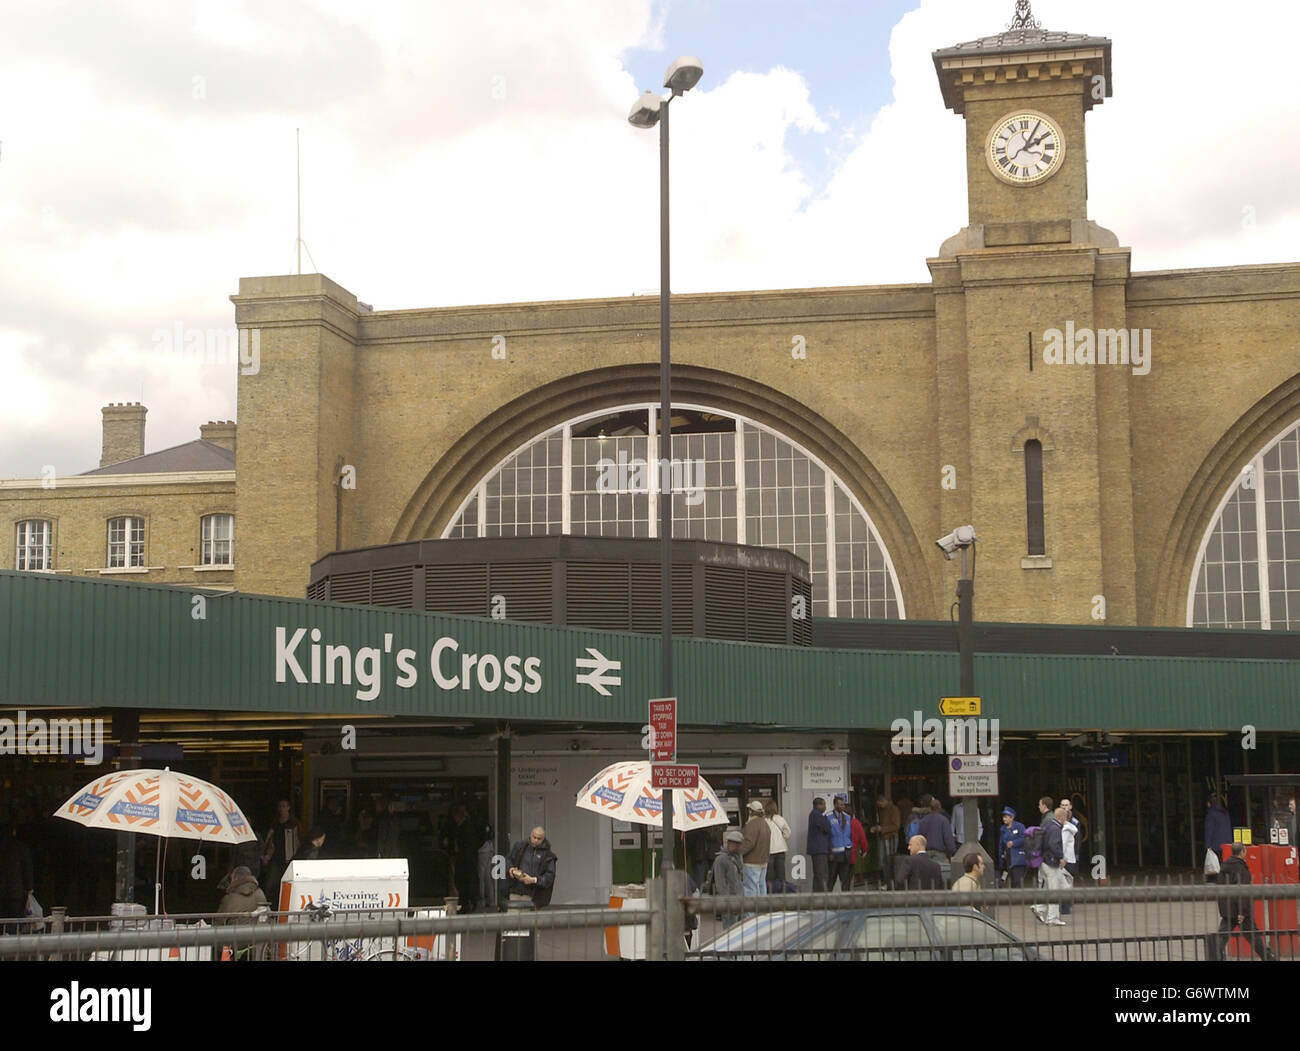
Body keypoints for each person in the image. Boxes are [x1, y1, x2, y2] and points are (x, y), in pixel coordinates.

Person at [1212, 843, 1275, 962]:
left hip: (1228, 908)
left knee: (1222, 936)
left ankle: (1215, 956)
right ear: (1242, 852)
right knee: (1253, 936)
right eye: (1245, 851)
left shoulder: (1224, 866)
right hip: (1239, 911)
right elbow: (1243, 891)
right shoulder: (1241, 868)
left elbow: (1220, 887)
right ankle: (1268, 958)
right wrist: (1242, 911)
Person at [1032, 806, 1068, 926]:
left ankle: (1039, 907)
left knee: (1051, 888)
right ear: (1061, 818)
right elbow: (1053, 844)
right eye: (1065, 818)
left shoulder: (1047, 825)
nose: (1065, 821)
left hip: (1043, 861)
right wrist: (1061, 857)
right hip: (1051, 862)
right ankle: (1052, 918)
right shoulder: (1055, 828)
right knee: (1054, 891)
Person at [506, 826, 557, 908]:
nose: (536, 840)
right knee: (514, 918)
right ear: (530, 835)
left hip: (534, 895)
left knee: (528, 919)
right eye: (534, 837)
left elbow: (550, 877)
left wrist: (533, 880)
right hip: (515, 890)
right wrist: (511, 869)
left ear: (543, 839)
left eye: (539, 839)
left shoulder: (548, 856)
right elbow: (508, 860)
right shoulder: (520, 847)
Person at [259, 799, 300, 897]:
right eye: (280, 806)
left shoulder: (294, 824)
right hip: (276, 858)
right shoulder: (275, 824)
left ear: (288, 808)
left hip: (289, 859)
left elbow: (298, 841)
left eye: (284, 806)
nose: (282, 808)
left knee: (288, 884)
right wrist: (267, 856)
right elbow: (270, 843)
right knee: (271, 884)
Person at [0, 823, 34, 934]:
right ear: (13, 832)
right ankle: (12, 946)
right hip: (16, 891)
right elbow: (27, 869)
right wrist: (29, 887)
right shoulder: (21, 848)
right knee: (14, 922)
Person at [709, 829, 745, 927]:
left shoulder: (738, 857)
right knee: (730, 932)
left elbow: (740, 878)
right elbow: (720, 884)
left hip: (739, 899)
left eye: (738, 844)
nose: (736, 846)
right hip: (729, 901)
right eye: (733, 843)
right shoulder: (721, 860)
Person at [918, 797, 956, 885]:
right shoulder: (944, 820)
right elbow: (948, 838)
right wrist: (952, 851)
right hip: (940, 854)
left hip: (926, 853)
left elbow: (920, 838)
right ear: (939, 807)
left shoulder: (923, 821)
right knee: (942, 877)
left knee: (927, 877)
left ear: (930, 808)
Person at [740, 800, 771, 896]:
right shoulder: (765, 824)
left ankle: (751, 911)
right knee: (762, 886)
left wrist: (738, 852)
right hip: (763, 861)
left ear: (751, 811)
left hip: (752, 862)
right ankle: (763, 909)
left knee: (751, 888)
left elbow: (749, 843)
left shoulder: (752, 824)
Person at [870, 794, 900, 889]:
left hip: (891, 838)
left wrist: (881, 828)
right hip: (884, 837)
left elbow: (896, 826)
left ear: (884, 801)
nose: (879, 806)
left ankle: (890, 883)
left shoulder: (894, 809)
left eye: (879, 803)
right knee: (884, 861)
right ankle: (887, 882)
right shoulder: (882, 810)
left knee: (889, 861)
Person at [826, 793, 854, 891]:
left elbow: (849, 833)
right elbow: (826, 836)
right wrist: (829, 852)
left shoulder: (847, 817)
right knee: (831, 878)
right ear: (835, 805)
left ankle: (845, 900)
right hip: (834, 853)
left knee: (845, 879)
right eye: (840, 804)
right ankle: (827, 900)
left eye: (843, 805)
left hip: (846, 851)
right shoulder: (828, 817)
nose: (842, 806)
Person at [763, 800, 792, 893]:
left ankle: (770, 893)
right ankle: (782, 893)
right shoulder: (780, 819)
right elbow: (788, 833)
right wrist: (782, 839)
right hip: (781, 849)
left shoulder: (764, 821)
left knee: (769, 875)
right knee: (781, 874)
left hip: (769, 851)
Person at [998, 806, 1028, 888]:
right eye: (1003, 817)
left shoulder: (1019, 826)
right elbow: (1001, 844)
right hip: (1007, 858)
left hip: (1018, 858)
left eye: (1006, 817)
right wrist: (1001, 857)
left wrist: (1013, 843)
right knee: (1009, 880)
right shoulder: (1003, 829)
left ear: (1012, 818)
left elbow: (1024, 838)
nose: (1004, 819)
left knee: (1017, 880)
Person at [807, 797, 831, 892]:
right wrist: (825, 819)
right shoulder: (817, 815)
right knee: (821, 874)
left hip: (818, 848)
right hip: (819, 848)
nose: (825, 807)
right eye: (824, 804)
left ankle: (817, 894)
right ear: (818, 805)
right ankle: (821, 895)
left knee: (819, 874)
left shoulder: (814, 815)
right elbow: (827, 828)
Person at [1060, 809, 1080, 916]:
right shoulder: (1070, 828)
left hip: (1065, 860)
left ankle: (1065, 908)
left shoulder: (1066, 829)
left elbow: (1062, 844)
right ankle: (1066, 907)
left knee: (1064, 885)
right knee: (1067, 884)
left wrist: (1060, 857)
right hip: (1070, 859)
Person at [477, 822, 496, 909]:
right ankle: (491, 900)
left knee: (481, 876)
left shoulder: (479, 825)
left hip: (482, 850)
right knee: (488, 876)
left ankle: (482, 900)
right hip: (490, 849)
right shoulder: (487, 825)